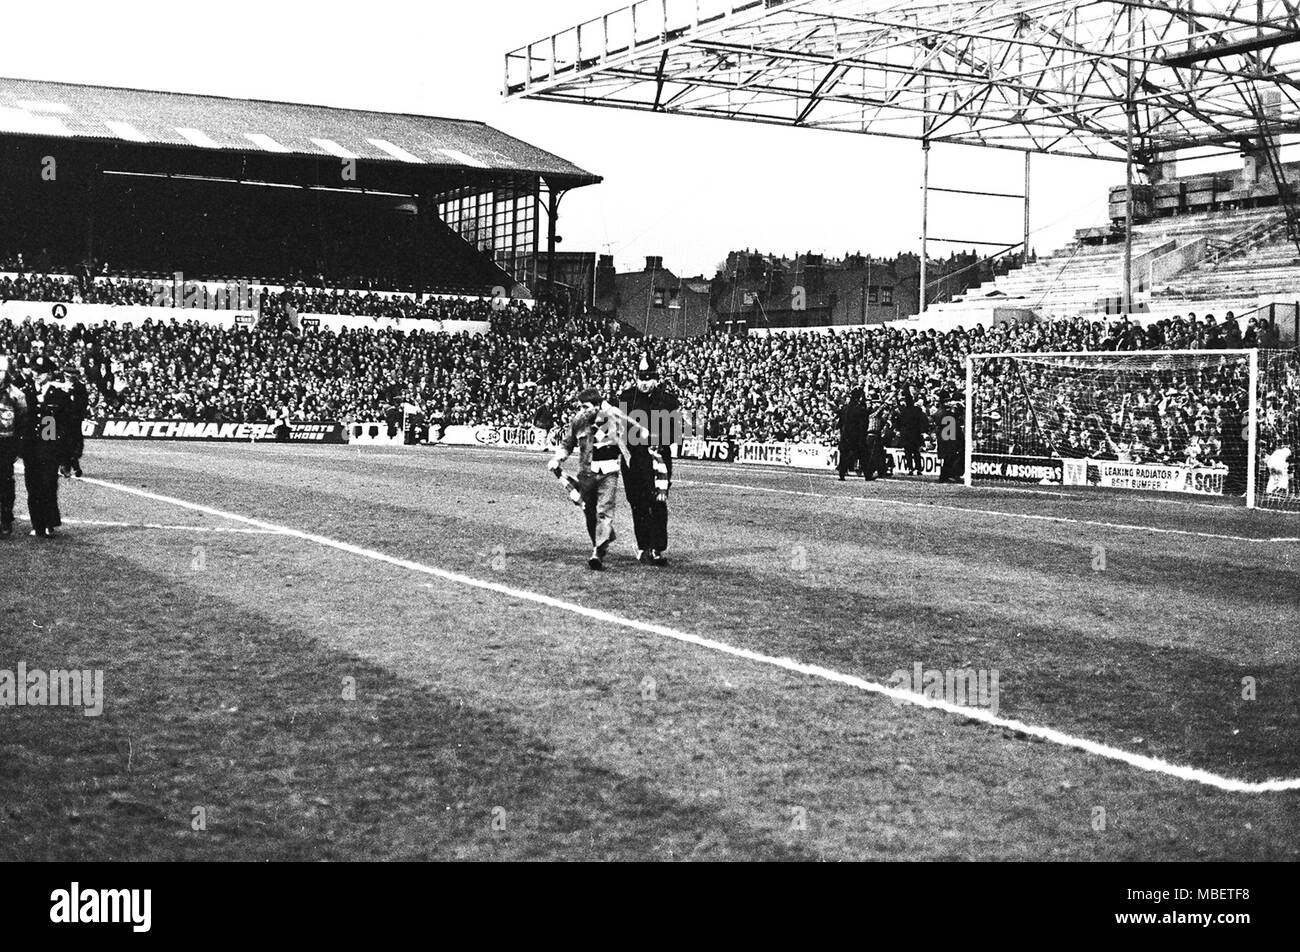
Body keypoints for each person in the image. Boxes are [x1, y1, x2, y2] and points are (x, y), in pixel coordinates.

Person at [548, 388, 628, 571]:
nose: (582, 410)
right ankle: (600, 541)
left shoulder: (612, 418)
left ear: (597, 405)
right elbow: (567, 444)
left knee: (604, 510)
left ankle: (598, 552)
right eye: (581, 406)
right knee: (589, 513)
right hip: (586, 473)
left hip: (608, 472)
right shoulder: (578, 421)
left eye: (586, 406)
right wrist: (557, 459)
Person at [617, 354, 680, 567]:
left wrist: (659, 440)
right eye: (641, 378)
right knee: (638, 503)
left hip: (659, 457)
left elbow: (676, 432)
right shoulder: (626, 398)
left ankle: (658, 548)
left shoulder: (668, 401)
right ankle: (643, 546)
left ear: (656, 378)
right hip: (634, 459)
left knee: (658, 502)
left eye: (648, 378)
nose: (644, 383)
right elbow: (618, 431)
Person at [21, 356, 69, 537]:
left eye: (40, 372)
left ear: (49, 374)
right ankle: (38, 524)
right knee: (32, 487)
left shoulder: (59, 396)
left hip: (49, 449)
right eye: (34, 371)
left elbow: (65, 426)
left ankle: (49, 522)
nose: (36, 375)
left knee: (48, 485)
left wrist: (66, 455)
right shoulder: (26, 393)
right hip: (31, 448)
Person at [0, 355, 27, 538]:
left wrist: (17, 448)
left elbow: (23, 423)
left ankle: (5, 518)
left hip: (5, 445)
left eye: (0, 372)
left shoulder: (17, 395)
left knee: (5, 483)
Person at [837, 388, 869, 481]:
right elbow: (864, 424)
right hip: (856, 437)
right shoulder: (860, 409)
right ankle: (867, 474)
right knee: (863, 455)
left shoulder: (845, 408)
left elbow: (840, 422)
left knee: (844, 455)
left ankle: (842, 474)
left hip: (845, 435)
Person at [933, 393, 966, 484]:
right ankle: (948, 475)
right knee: (951, 457)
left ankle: (946, 475)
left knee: (949, 458)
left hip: (945, 438)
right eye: (948, 401)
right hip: (949, 438)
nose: (950, 402)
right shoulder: (947, 413)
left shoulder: (940, 412)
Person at [896, 394, 929, 476]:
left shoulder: (903, 411)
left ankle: (910, 468)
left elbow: (898, 422)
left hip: (906, 435)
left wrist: (899, 430)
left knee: (908, 453)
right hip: (915, 434)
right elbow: (923, 421)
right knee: (916, 452)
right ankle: (918, 468)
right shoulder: (917, 410)